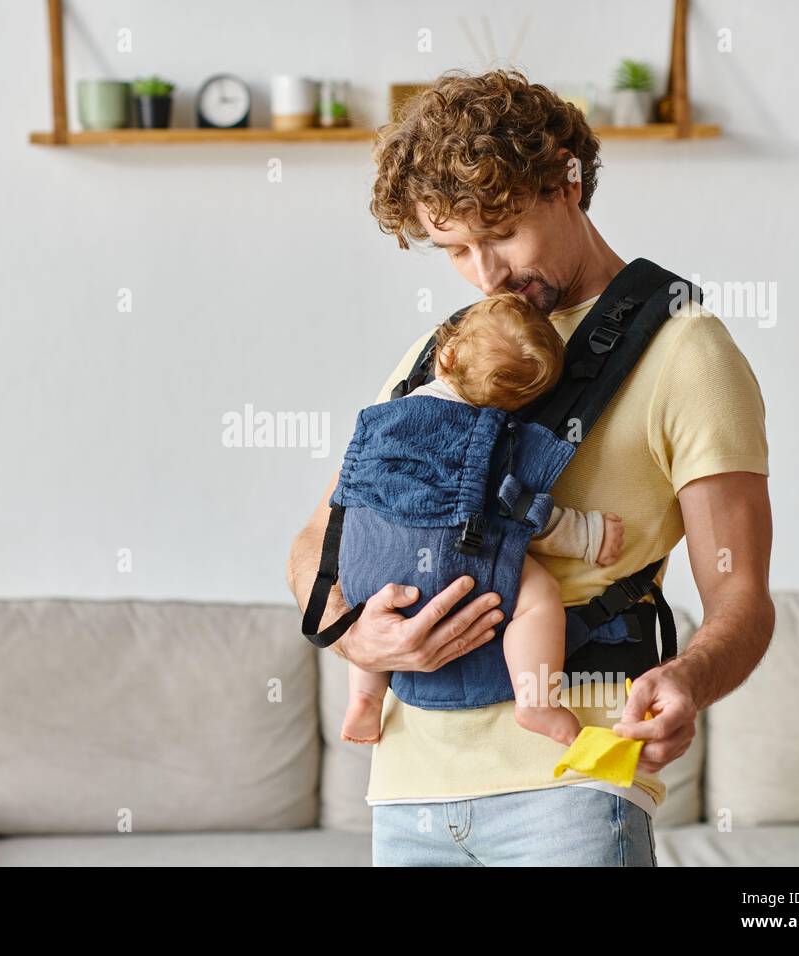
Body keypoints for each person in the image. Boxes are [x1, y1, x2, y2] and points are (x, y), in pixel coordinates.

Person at [286, 69, 773, 867]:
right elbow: (316, 543)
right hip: (407, 792)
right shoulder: (439, 357)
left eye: (501, 232)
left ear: (566, 179)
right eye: (454, 250)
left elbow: (743, 596)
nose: (486, 277)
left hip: (571, 788)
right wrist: (352, 634)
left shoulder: (687, 352)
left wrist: (689, 675)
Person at [337, 293, 623, 748]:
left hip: (366, 571)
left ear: (444, 356)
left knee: (370, 612)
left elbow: (347, 496)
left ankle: (364, 702)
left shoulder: (380, 418)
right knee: (539, 597)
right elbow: (517, 510)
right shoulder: (486, 440)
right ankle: (537, 701)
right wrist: (586, 535)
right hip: (452, 568)